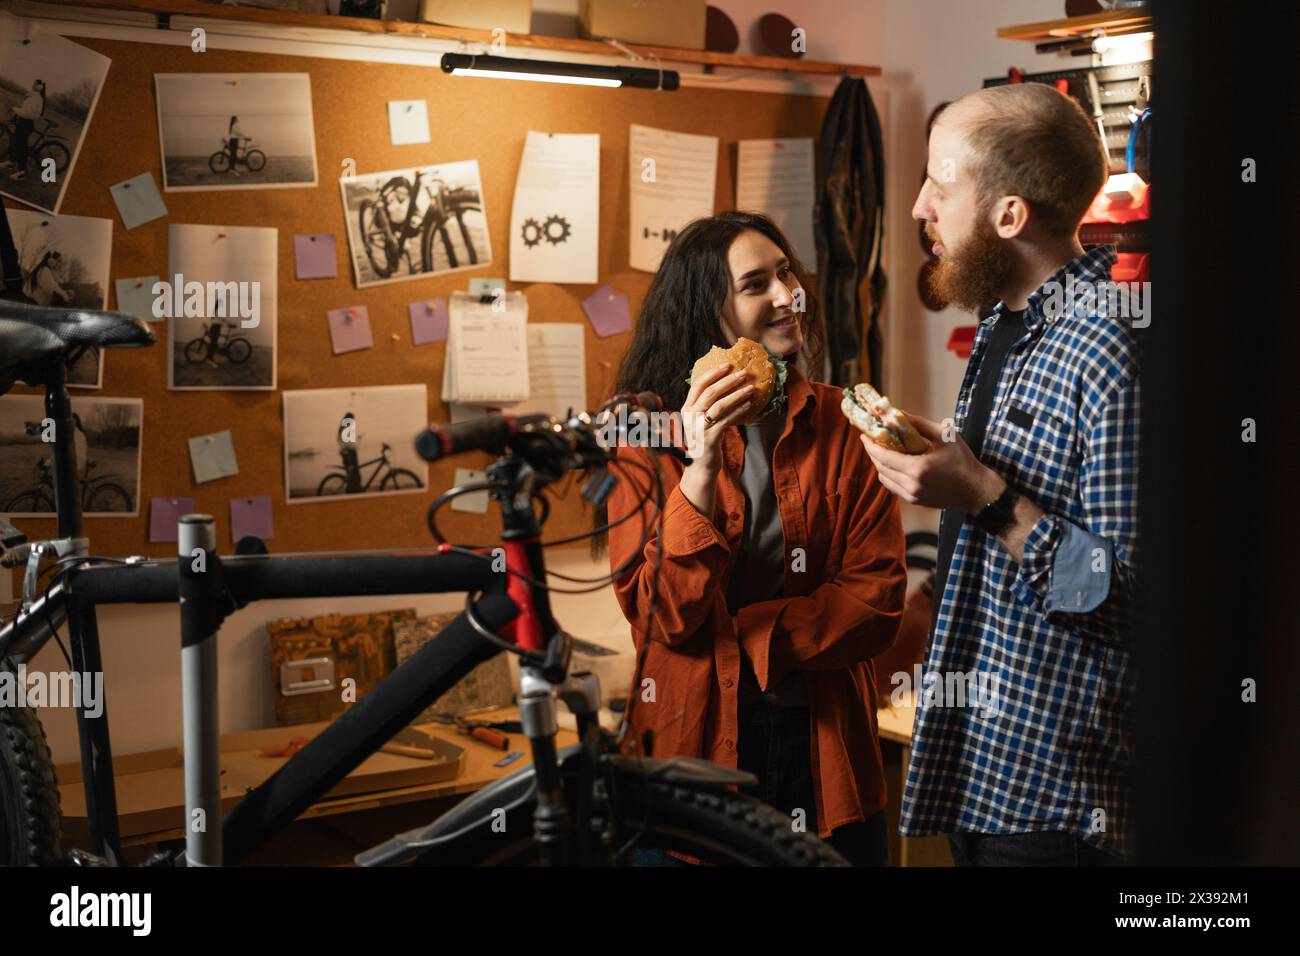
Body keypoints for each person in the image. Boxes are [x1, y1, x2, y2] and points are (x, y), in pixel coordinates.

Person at [860, 83, 1140, 866]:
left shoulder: (1108, 352)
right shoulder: (1005, 322)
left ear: (1009, 216)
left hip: (1059, 798)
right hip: (982, 762)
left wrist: (983, 495)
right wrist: (943, 449)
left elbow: (1133, 599)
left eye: (939, 187)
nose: (919, 207)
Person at [603, 211, 907, 865]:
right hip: (690, 749)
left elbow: (875, 603)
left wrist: (749, 638)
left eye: (786, 273)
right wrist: (703, 469)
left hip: (824, 753)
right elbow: (665, 617)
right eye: (754, 284)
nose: (786, 295)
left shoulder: (846, 423)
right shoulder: (644, 436)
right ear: (709, 313)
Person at [1, 79, 45, 181]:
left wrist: (14, 109)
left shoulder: (37, 98)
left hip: (26, 124)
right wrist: (16, 114)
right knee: (14, 141)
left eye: (36, 84)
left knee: (21, 148)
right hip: (22, 122)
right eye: (33, 83)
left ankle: (22, 172)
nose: (33, 85)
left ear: (39, 87)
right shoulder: (31, 96)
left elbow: (28, 113)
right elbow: (24, 109)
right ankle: (11, 162)